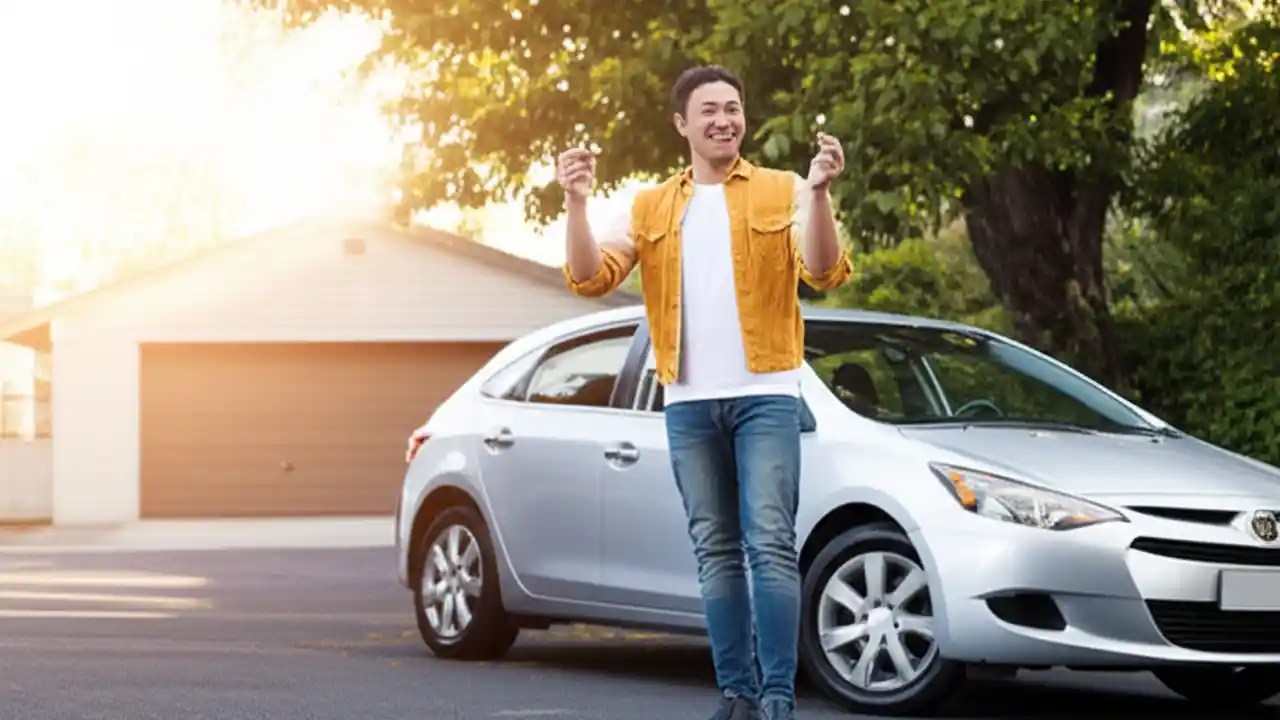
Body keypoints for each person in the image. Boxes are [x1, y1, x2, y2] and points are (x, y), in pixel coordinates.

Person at [558, 65, 852, 720]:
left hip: (767, 393)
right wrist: (576, 203)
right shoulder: (649, 206)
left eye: (734, 107)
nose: (725, 119)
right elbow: (589, 277)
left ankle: (778, 696)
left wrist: (823, 193)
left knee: (770, 542)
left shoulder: (786, 190)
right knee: (714, 548)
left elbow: (826, 269)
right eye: (710, 109)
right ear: (682, 123)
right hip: (687, 403)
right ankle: (737, 694)